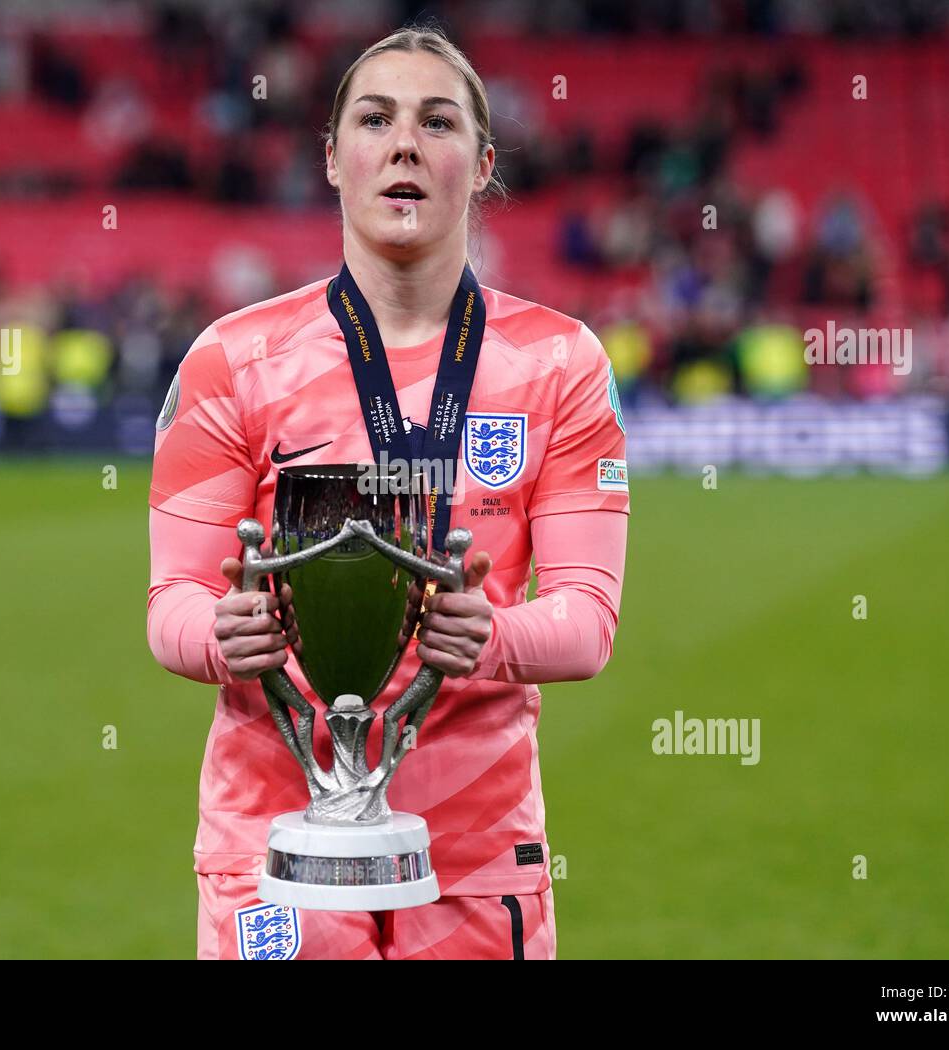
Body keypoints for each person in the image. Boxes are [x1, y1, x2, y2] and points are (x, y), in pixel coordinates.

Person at [148, 24, 629, 960]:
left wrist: (496, 637)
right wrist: (219, 635)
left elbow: (588, 620)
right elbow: (171, 603)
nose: (405, 142)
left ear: (482, 163)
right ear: (332, 159)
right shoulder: (231, 361)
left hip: (478, 863)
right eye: (376, 118)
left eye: (437, 122)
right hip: (273, 852)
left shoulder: (561, 363)